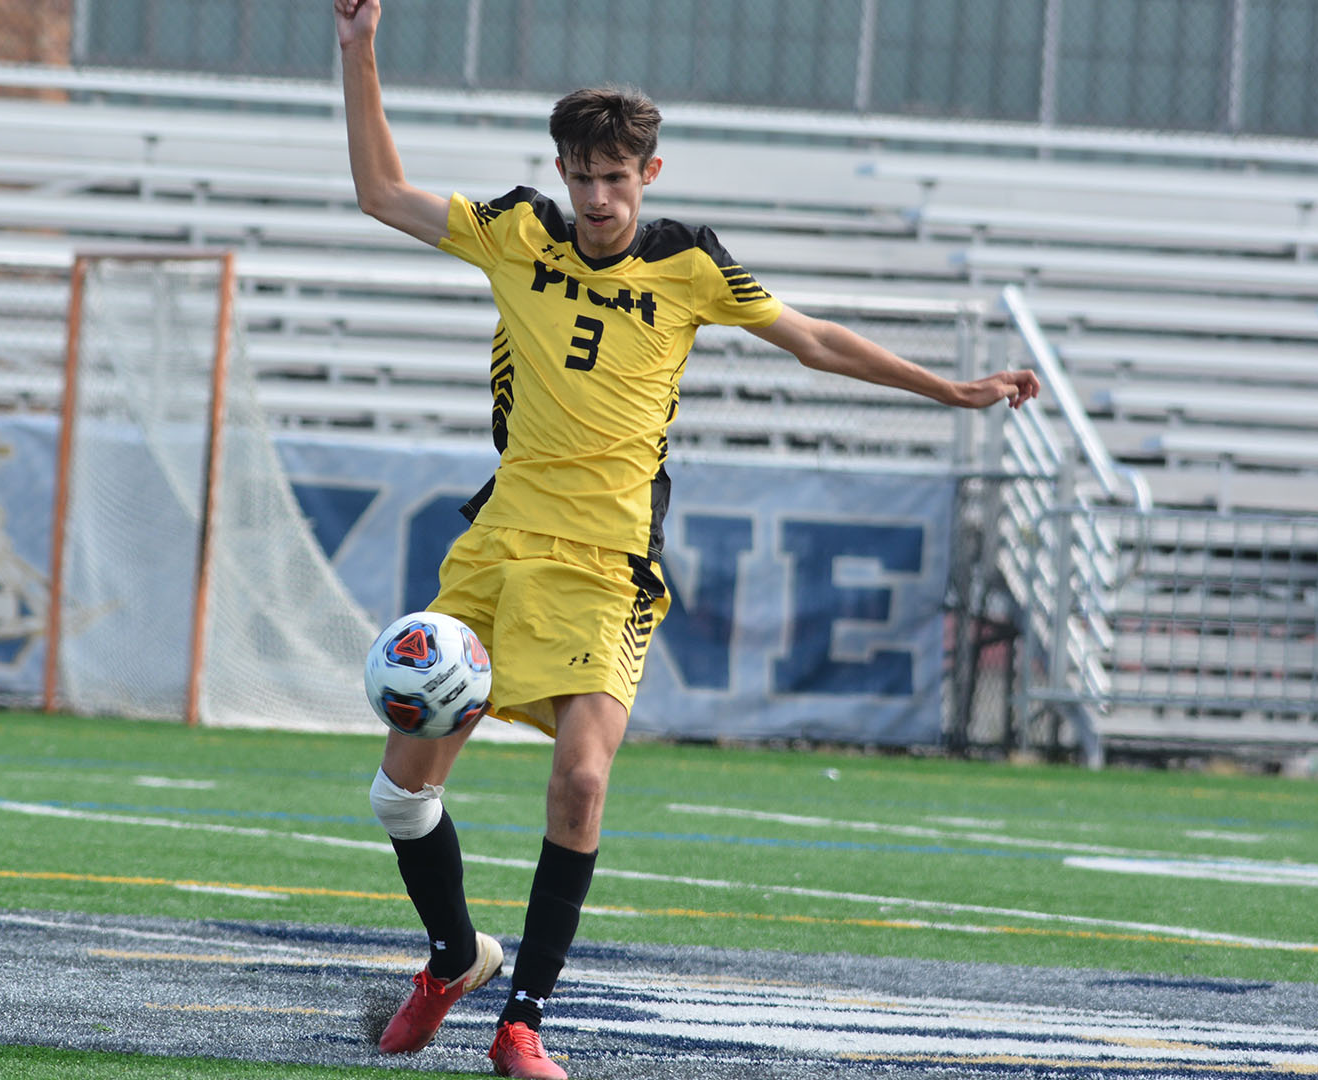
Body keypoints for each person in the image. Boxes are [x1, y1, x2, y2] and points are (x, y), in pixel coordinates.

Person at [333, 2, 1039, 1076]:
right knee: (400, 790)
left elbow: (813, 339)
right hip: (497, 548)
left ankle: (522, 1021)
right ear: (562, 172)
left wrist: (950, 389)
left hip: (608, 563)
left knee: (581, 779)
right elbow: (380, 193)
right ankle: (453, 957)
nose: (600, 197)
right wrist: (360, 50)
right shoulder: (515, 232)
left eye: (618, 178)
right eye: (584, 176)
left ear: (649, 175)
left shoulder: (690, 263)